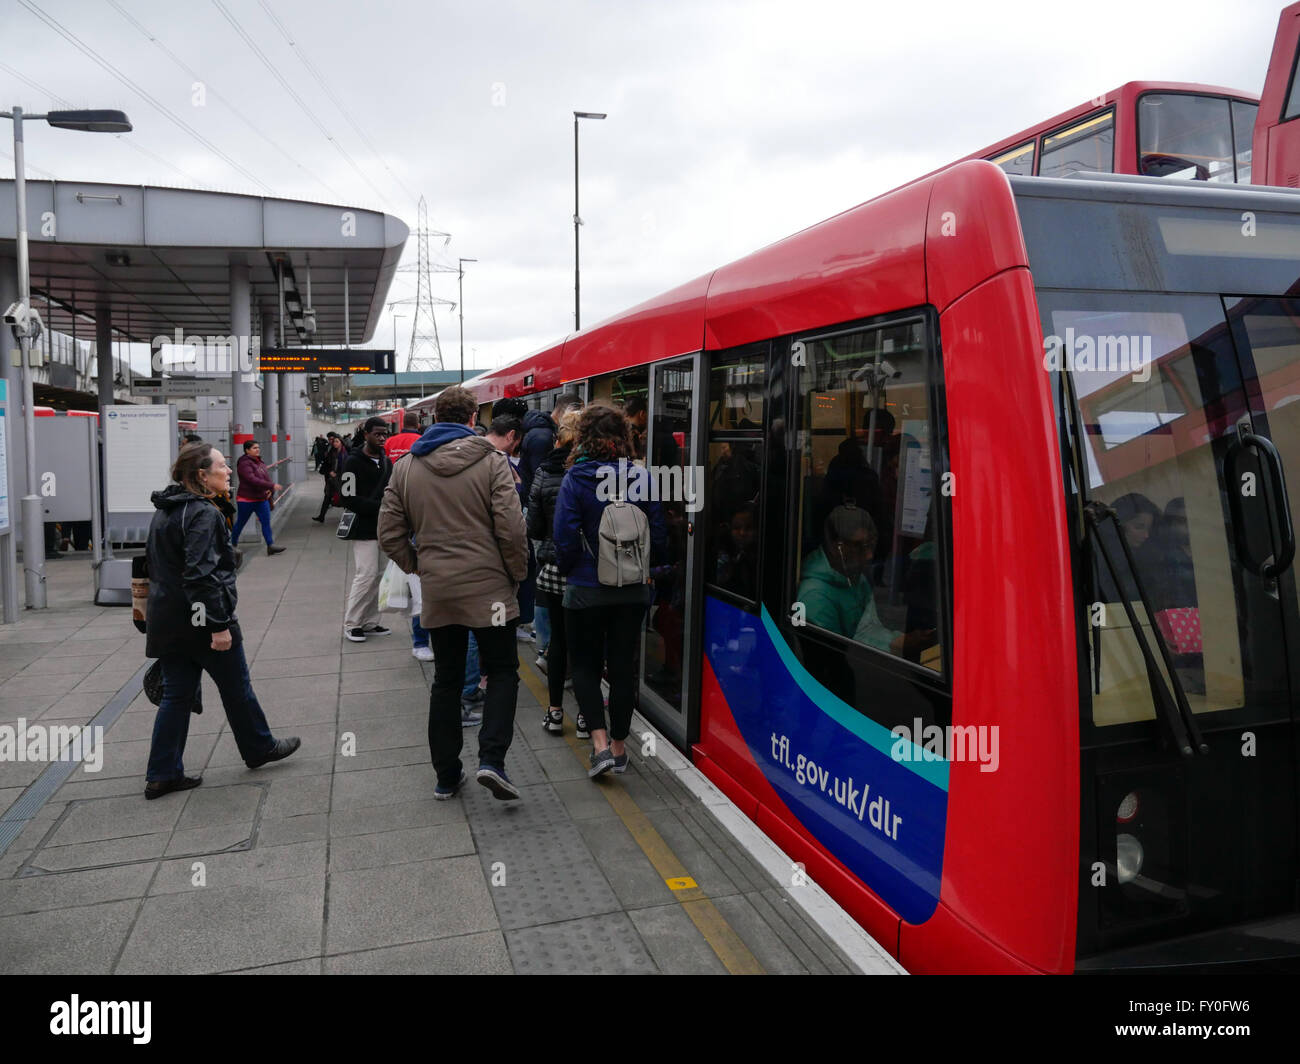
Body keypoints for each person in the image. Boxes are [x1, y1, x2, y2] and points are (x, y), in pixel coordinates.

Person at [378, 386, 529, 802]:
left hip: (440, 590)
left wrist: (420, 565)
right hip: (493, 592)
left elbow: (388, 533)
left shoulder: (406, 467)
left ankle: (447, 776)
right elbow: (512, 528)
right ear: (471, 420)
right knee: (501, 670)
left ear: (433, 419)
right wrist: (515, 574)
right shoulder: (493, 461)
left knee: (445, 679)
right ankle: (491, 761)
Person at [142, 442, 300, 799]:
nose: (229, 471)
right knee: (236, 688)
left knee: (177, 696)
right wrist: (218, 625)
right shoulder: (203, 514)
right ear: (202, 475)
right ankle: (260, 747)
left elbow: (156, 566)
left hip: (168, 619)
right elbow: (200, 575)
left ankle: (162, 773)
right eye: (222, 466)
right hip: (201, 620)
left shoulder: (165, 509)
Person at [553, 402, 667, 778]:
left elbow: (564, 537)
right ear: (624, 437)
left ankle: (599, 745)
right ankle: (620, 749)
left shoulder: (575, 478)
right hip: (632, 590)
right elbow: (659, 534)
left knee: (584, 665)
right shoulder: (642, 476)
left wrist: (573, 572)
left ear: (583, 437)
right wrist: (647, 572)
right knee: (622, 668)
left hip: (586, 589)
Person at [527, 407, 581, 735]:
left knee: (559, 641)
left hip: (556, 565)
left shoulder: (544, 473)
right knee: (586, 643)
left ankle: (556, 712)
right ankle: (589, 718)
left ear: (559, 436)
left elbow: (533, 527)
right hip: (593, 572)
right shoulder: (604, 471)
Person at [520, 393, 584, 669]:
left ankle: (547, 651)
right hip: (588, 565)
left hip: (553, 552)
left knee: (547, 598)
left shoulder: (545, 469)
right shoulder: (614, 471)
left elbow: (533, 525)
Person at [341, 417, 394, 643]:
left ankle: (370, 621)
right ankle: (352, 623)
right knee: (366, 575)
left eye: (385, 434)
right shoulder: (351, 463)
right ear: (366, 434)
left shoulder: (386, 462)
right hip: (363, 529)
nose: (382, 438)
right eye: (378, 434)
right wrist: (381, 507)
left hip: (384, 528)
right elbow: (348, 498)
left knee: (380, 577)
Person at [231, 440, 285, 556]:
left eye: (258, 447)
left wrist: (270, 490)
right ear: (247, 450)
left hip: (261, 498)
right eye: (255, 448)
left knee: (266, 522)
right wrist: (271, 486)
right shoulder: (244, 463)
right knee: (241, 522)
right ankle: (232, 545)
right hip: (246, 499)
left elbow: (265, 478)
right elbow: (251, 479)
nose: (258, 449)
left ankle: (270, 545)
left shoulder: (259, 462)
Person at [312, 432, 347, 523]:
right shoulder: (332, 452)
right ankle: (321, 516)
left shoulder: (345, 452)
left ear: (341, 442)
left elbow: (346, 466)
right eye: (333, 441)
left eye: (336, 441)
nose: (334, 443)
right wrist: (330, 471)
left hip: (342, 479)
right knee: (327, 497)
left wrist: (338, 473)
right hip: (332, 479)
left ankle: (348, 518)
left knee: (344, 499)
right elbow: (327, 464)